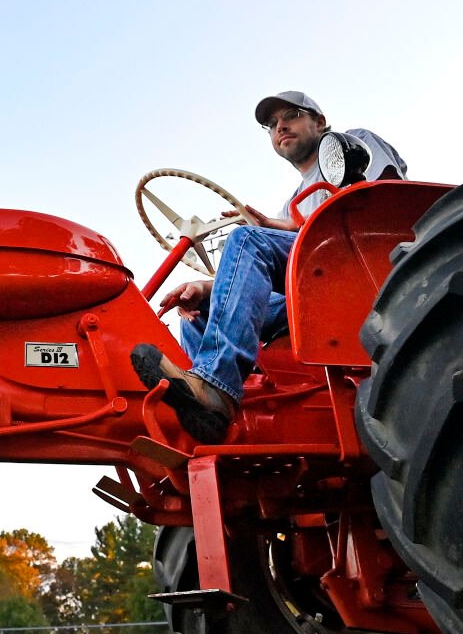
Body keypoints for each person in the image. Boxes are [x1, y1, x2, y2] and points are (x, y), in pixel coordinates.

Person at [130, 91, 405, 443]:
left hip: (362, 266)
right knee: (200, 310)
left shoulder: (351, 144)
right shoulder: (292, 200)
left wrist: (286, 228)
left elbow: (379, 201)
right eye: (272, 124)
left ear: (318, 122)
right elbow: (278, 275)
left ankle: (218, 383)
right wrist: (206, 288)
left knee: (247, 240)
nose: (281, 127)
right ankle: (217, 416)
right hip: (311, 286)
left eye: (290, 115)